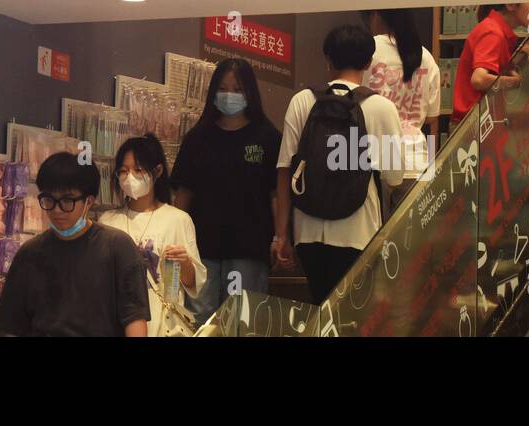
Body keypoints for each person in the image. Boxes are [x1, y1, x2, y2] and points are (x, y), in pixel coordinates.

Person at [274, 24, 404, 304]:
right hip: (359, 231)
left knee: (320, 308)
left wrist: (281, 235)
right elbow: (394, 178)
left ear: (328, 60)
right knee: (354, 311)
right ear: (368, 63)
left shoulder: (302, 101)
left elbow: (285, 170)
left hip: (308, 231)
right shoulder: (382, 108)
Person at [171, 57, 282, 326]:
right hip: (202, 249)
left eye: (237, 89)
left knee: (241, 323)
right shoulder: (198, 138)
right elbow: (183, 194)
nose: (229, 95)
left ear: (250, 92)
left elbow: (275, 195)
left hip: (249, 249)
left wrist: (280, 237)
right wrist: (175, 237)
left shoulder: (267, 137)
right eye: (222, 89)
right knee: (198, 322)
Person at [0, 152, 149, 337]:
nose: (57, 210)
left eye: (67, 201)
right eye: (49, 200)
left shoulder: (118, 248)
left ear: (88, 201)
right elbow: (11, 326)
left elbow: (135, 320)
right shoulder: (29, 254)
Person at [100, 134, 207, 336]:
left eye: (138, 170)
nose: (130, 177)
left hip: (163, 324)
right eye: (123, 171)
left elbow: (194, 284)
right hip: (118, 322)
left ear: (157, 171)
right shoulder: (108, 221)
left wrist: (184, 263)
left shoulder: (178, 220)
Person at [361, 8, 441, 211]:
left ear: (376, 15)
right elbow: (431, 117)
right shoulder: (426, 57)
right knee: (409, 230)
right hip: (416, 160)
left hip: (375, 158)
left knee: (378, 230)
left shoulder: (368, 50)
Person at [451, 3, 529, 127]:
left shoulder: (495, 29)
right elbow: (478, 80)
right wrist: (516, 82)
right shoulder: (493, 32)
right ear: (511, 5)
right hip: (471, 128)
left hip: (480, 122)